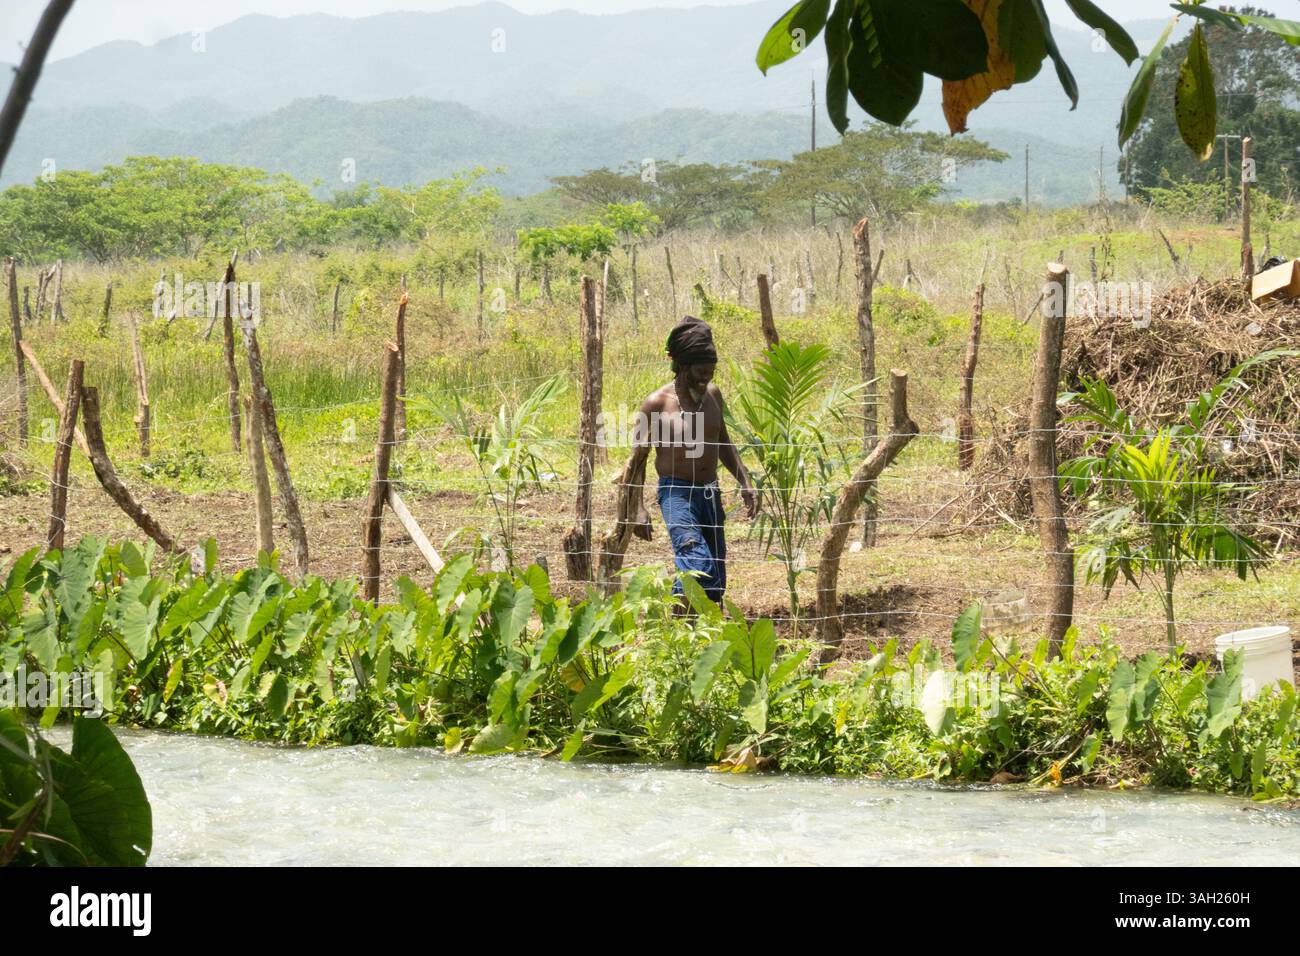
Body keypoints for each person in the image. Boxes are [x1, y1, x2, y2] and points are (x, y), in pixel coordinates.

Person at [624, 315, 755, 604]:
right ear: (681, 366)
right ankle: (679, 624)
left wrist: (745, 482)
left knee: (715, 580)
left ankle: (705, 637)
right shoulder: (656, 404)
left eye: (710, 372)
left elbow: (724, 442)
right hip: (676, 494)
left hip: (709, 492)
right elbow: (636, 463)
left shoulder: (713, 395)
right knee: (696, 564)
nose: (705, 378)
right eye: (699, 371)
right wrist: (637, 508)